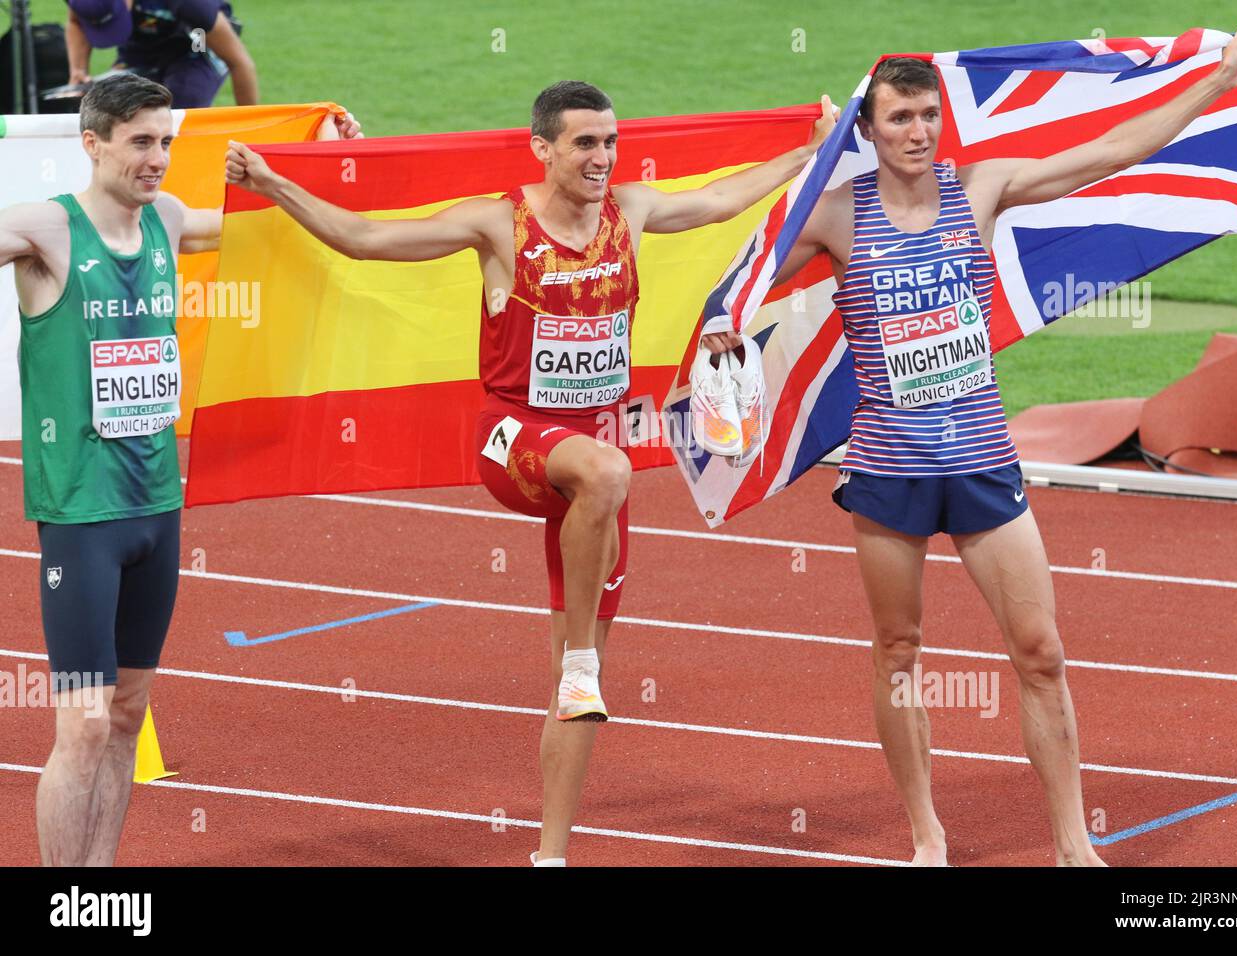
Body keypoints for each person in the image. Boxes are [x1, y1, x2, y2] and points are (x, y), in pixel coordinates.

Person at [225, 80, 835, 866]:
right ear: (543, 148)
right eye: (585, 143)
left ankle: (550, 852)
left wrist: (810, 153)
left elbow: (722, 199)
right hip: (513, 441)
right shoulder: (499, 224)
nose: (602, 158)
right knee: (612, 474)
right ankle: (580, 660)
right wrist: (272, 182)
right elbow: (364, 238)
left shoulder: (633, 213)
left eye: (610, 142)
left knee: (578, 672)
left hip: (594, 461)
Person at [764, 26, 1237, 865]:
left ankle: (1072, 842)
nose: (917, 133)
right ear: (869, 130)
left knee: (1041, 652)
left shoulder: (981, 187)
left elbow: (1106, 151)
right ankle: (928, 835)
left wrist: (1212, 84)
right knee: (898, 652)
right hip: (889, 468)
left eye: (927, 116)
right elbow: (742, 271)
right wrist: (801, 169)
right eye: (898, 120)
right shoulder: (835, 219)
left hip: (985, 461)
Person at [0, 72, 357, 867]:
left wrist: (330, 161)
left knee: (127, 714)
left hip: (158, 508)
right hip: (82, 516)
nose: (158, 158)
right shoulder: (45, 231)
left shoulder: (164, 219)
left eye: (165, 141)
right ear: (92, 144)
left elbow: (256, 225)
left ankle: (99, 887)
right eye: (140, 143)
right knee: (83, 722)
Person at [65, 0, 258, 108]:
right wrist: (78, 70)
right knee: (120, 103)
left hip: (198, 41)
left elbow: (240, 63)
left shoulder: (192, 5)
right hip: (144, 41)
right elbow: (76, 22)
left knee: (182, 100)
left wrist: (250, 132)